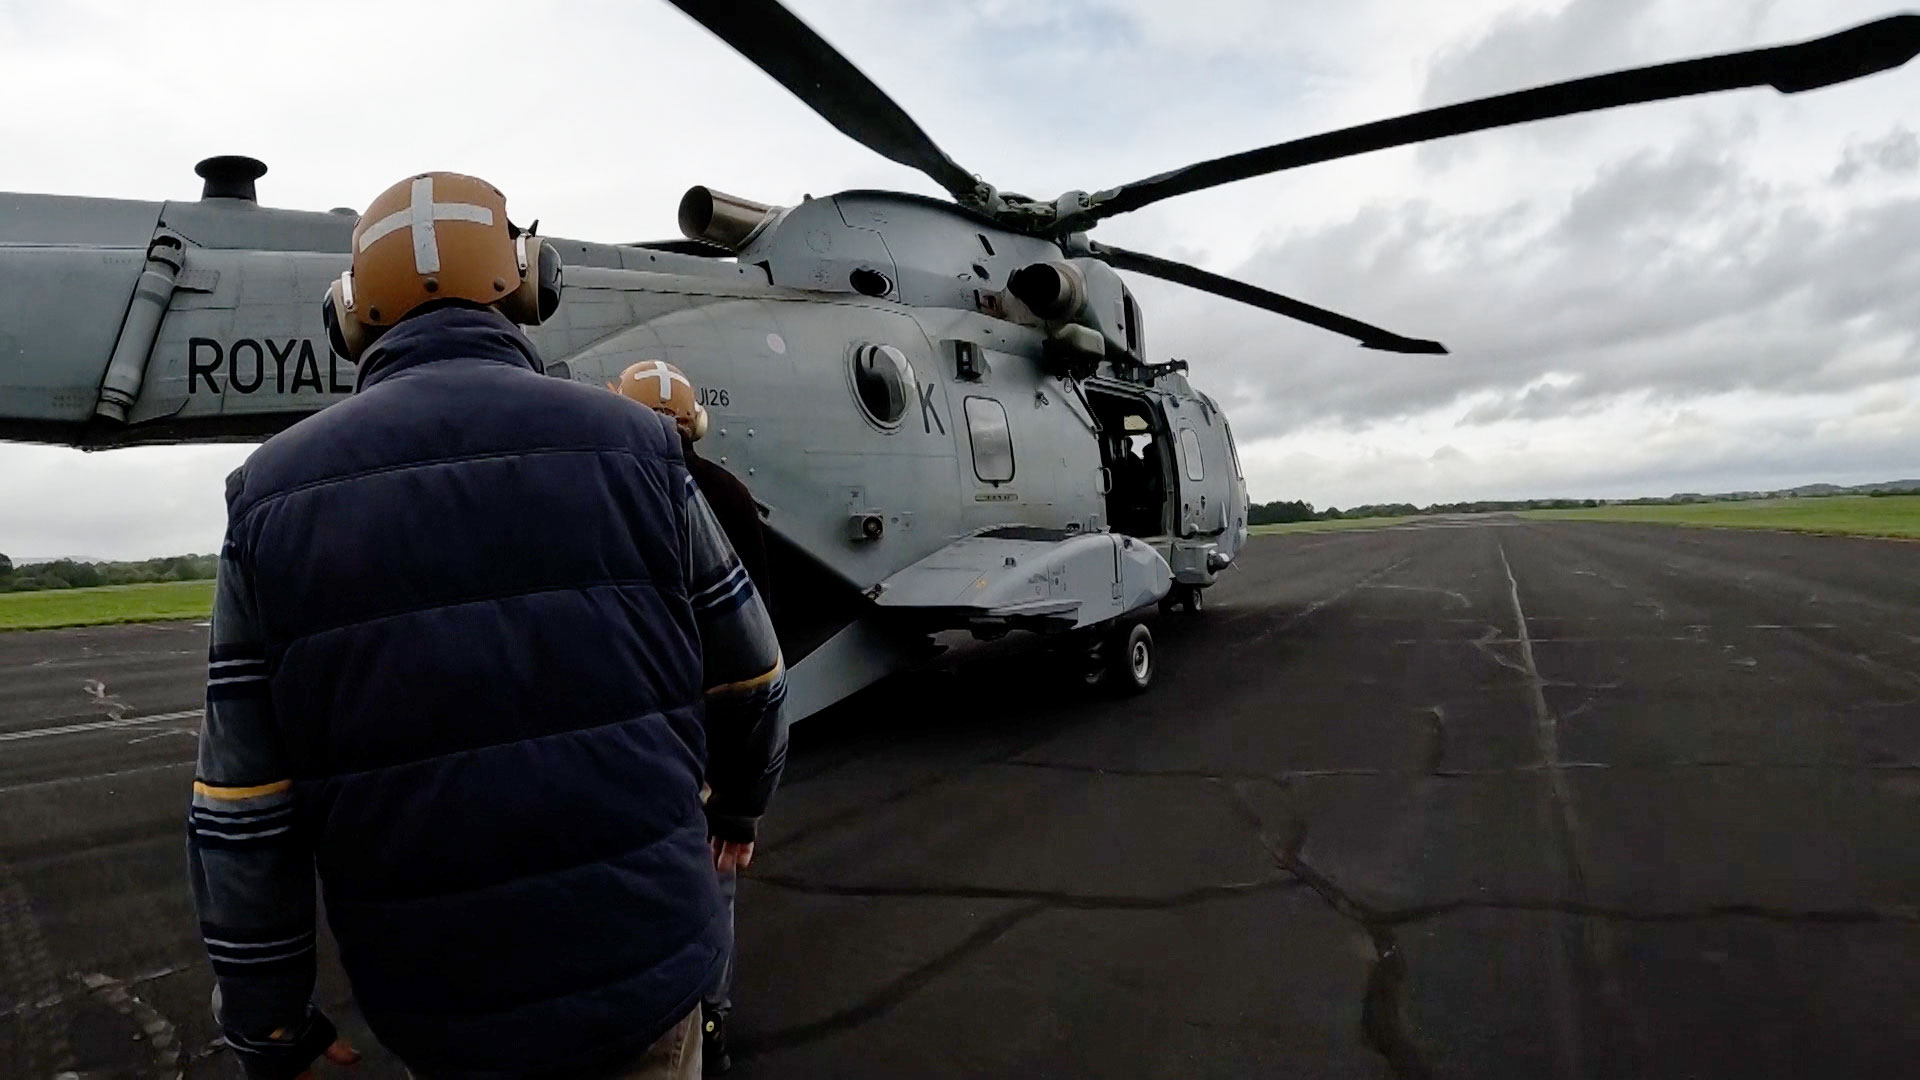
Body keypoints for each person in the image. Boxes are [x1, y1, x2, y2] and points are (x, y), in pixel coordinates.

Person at [187, 172, 787, 1080]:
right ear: (532, 280)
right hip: (649, 970)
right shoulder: (642, 450)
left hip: (439, 1007)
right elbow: (754, 679)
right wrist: (738, 804)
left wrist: (269, 1028)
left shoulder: (267, 496)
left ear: (349, 313)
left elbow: (241, 808)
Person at [610, 359, 774, 1075]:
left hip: (635, 730)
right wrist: (744, 802)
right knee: (715, 887)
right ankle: (711, 1015)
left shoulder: (608, 494)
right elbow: (758, 645)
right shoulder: (729, 494)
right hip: (707, 734)